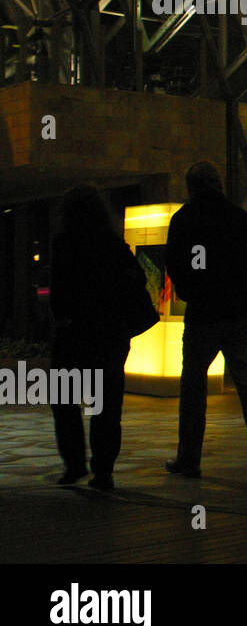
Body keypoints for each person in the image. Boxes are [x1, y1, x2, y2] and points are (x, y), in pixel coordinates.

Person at [164, 161, 247, 484]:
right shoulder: (240, 219)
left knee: (193, 385)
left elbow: (176, 266)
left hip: (203, 314)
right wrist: (243, 287)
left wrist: (191, 290)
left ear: (190, 187)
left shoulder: (184, 220)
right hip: (240, 312)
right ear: (220, 184)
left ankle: (189, 459)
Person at [48, 184, 146, 491]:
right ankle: (103, 470)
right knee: (105, 405)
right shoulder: (114, 245)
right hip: (111, 335)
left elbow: (58, 291)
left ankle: (74, 464)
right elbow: (137, 281)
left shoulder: (65, 243)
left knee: (64, 400)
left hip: (75, 331)